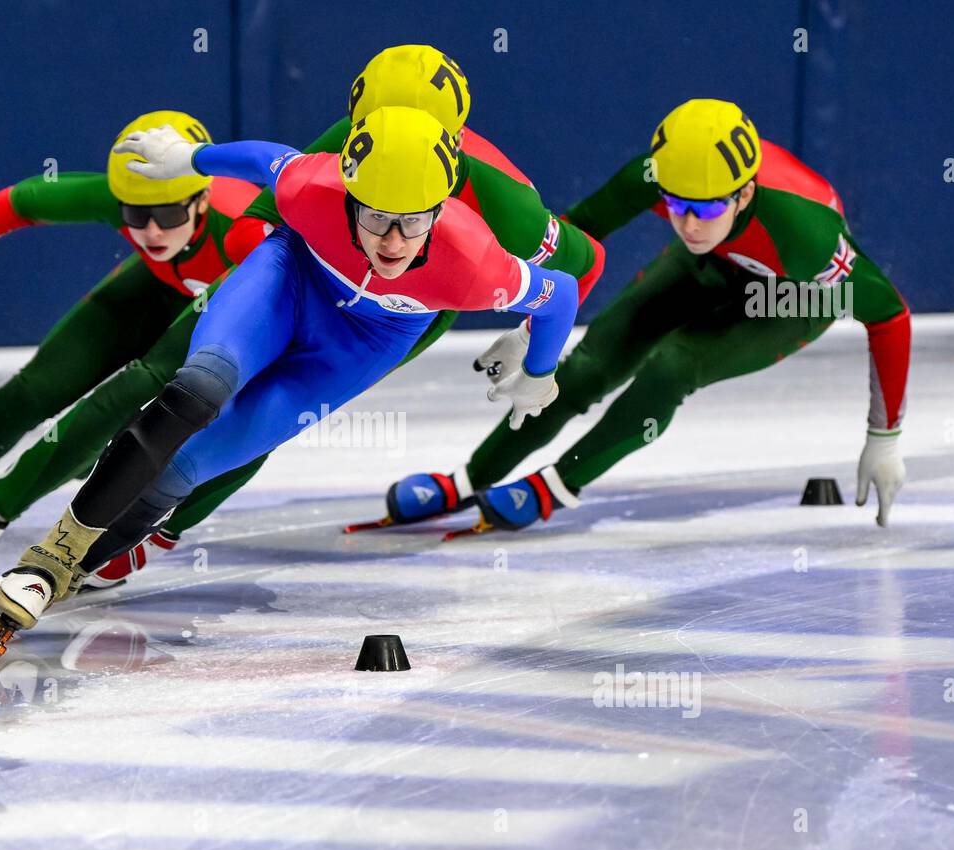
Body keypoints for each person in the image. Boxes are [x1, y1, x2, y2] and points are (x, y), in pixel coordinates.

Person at [0, 105, 584, 656]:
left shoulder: (473, 262)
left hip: (359, 345)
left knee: (190, 471)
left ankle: (72, 573)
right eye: (374, 216)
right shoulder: (313, 187)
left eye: (413, 221)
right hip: (287, 281)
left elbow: (560, 293)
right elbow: (266, 161)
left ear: (441, 207)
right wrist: (189, 159)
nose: (393, 242)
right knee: (198, 390)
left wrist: (539, 369)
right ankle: (46, 563)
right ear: (347, 194)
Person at [384, 98, 910, 535]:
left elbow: (888, 315)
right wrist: (530, 322)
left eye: (704, 209)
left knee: (673, 365)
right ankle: (470, 476)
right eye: (674, 204)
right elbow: (578, 235)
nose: (686, 222)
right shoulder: (663, 179)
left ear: (745, 192)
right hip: (714, 262)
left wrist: (883, 438)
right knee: (587, 366)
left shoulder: (808, 239)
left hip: (792, 297)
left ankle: (558, 485)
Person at [0, 112, 256, 569]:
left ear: (202, 199)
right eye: (135, 215)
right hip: (160, 288)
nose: (152, 232)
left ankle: (149, 537)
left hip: (236, 305)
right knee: (35, 388)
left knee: (204, 420)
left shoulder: (242, 230)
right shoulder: (122, 199)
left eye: (170, 213)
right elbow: (19, 202)